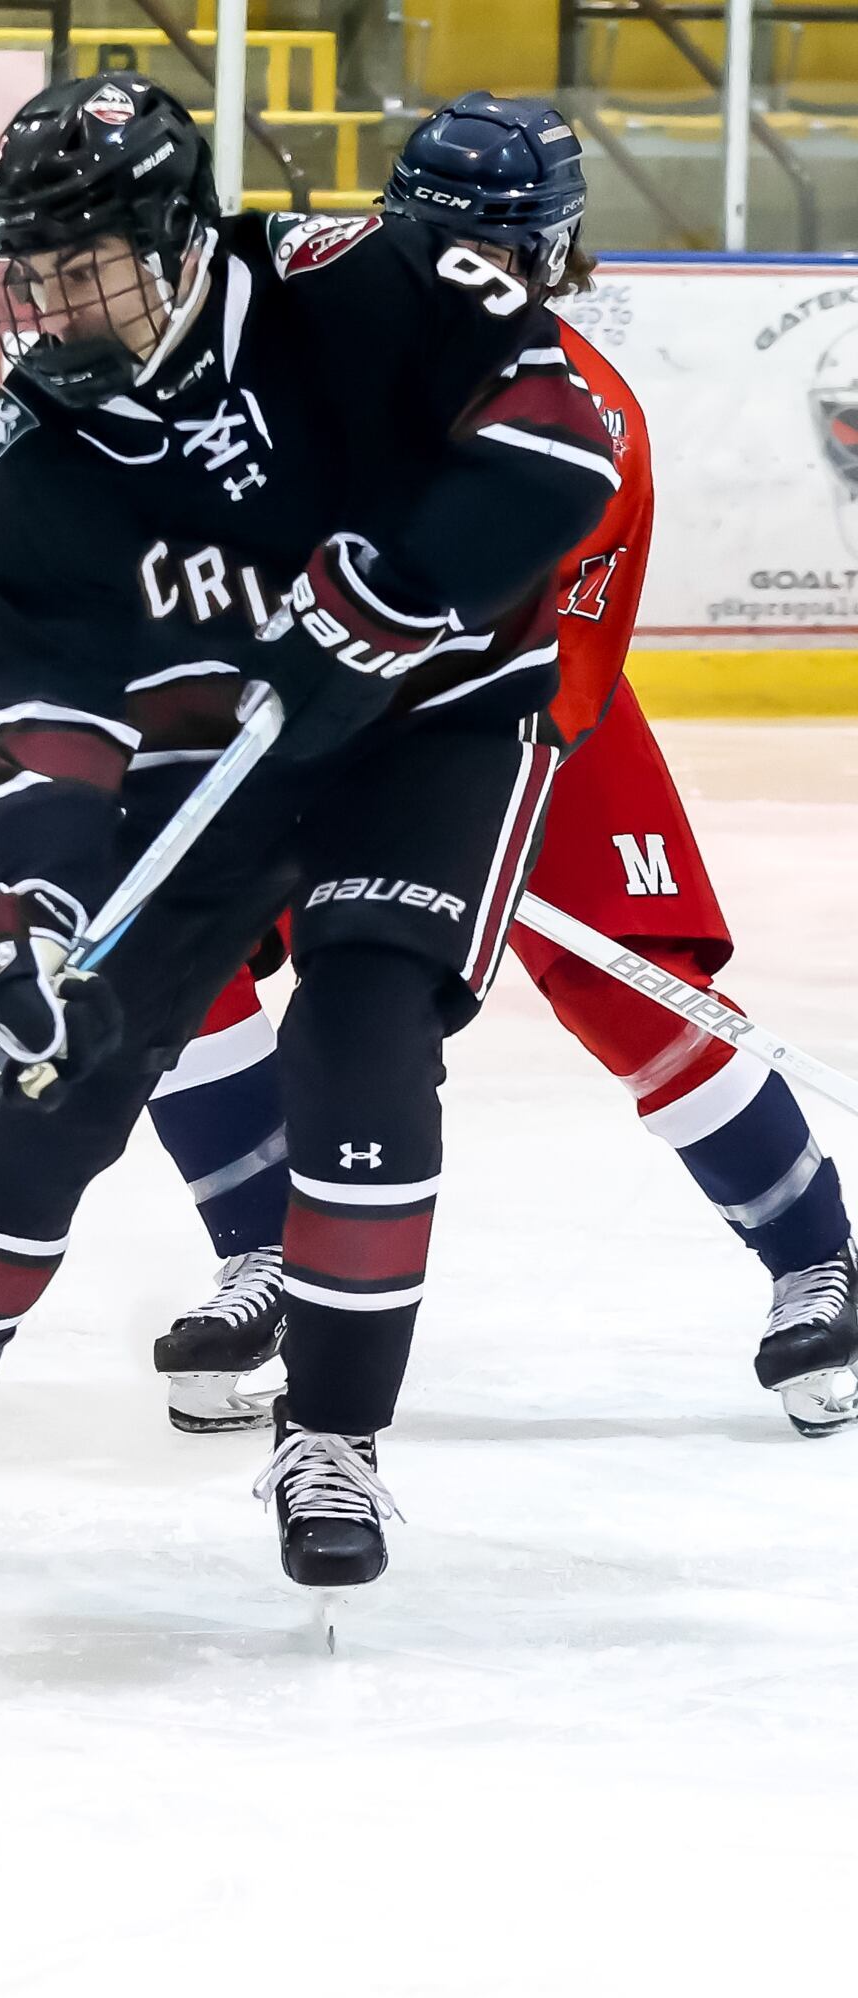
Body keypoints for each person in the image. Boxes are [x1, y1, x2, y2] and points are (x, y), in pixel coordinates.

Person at [0, 73, 617, 1588]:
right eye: (33, 271)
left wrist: (395, 597)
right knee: (59, 1060)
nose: (55, 305)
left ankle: (332, 1439)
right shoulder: (33, 459)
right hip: (225, 752)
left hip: (433, 727)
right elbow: (29, 718)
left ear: (183, 239)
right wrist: (30, 912)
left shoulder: (365, 279)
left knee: (360, 1031)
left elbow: (562, 446)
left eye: (90, 267)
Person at [138, 95, 858, 1441]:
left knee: (631, 987)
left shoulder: (589, 423)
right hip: (308, 707)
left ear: (553, 256)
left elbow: (542, 661)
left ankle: (819, 1256)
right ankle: (268, 1254)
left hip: (530, 714)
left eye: (502, 253)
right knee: (180, 937)